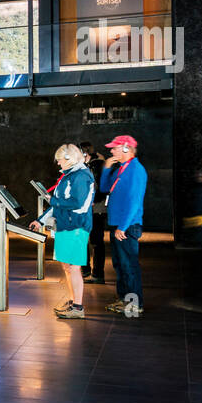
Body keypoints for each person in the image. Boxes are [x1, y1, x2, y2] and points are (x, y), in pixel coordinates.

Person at [29, 143, 95, 319]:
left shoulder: (80, 176)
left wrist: (53, 201)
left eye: (59, 160)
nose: (57, 163)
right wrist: (40, 220)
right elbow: (56, 202)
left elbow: (77, 203)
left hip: (76, 226)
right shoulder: (70, 175)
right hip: (66, 226)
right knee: (67, 266)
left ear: (69, 158)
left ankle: (78, 307)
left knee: (73, 267)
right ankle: (74, 302)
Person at [99, 134, 148, 316]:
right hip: (117, 224)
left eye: (114, 148)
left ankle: (135, 305)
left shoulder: (135, 170)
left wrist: (123, 226)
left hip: (126, 226)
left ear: (126, 148)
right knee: (120, 265)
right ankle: (125, 300)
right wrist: (107, 168)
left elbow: (134, 202)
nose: (111, 151)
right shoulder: (121, 169)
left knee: (129, 266)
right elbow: (104, 188)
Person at [80, 142, 108, 283]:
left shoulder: (98, 166)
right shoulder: (88, 166)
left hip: (96, 209)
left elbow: (102, 188)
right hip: (87, 209)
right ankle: (85, 271)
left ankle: (97, 274)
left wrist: (93, 199)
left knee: (96, 242)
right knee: (84, 240)